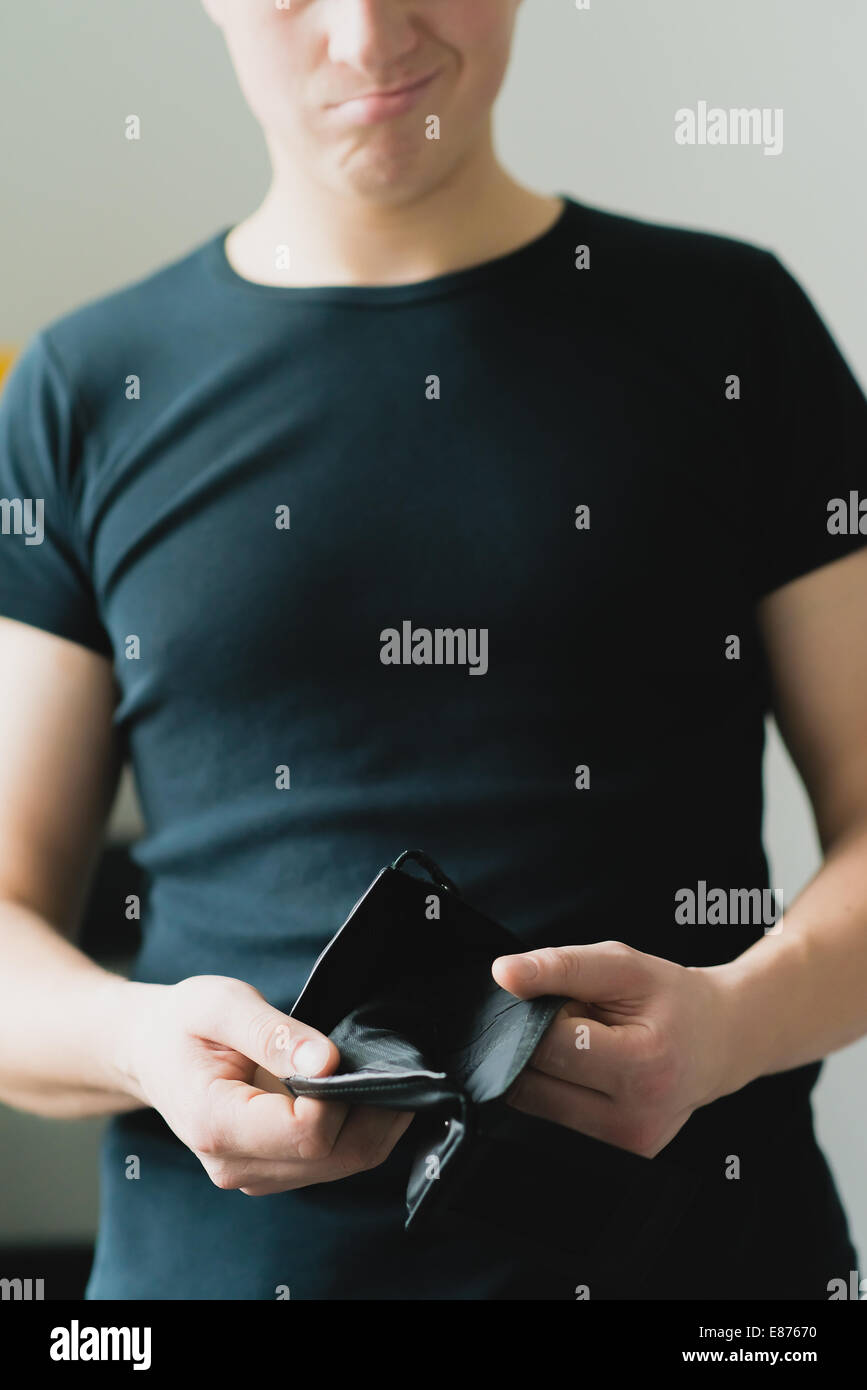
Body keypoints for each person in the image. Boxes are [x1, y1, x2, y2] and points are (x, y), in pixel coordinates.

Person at [0, 0, 865, 1301]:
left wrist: (734, 1027)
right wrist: (139, 1042)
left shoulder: (737, 329)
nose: (365, 34)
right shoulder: (82, 386)